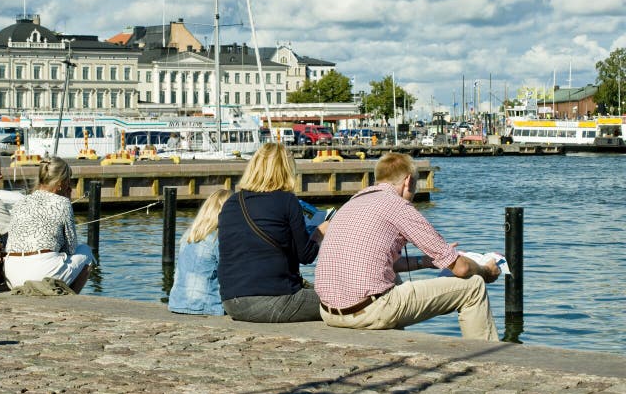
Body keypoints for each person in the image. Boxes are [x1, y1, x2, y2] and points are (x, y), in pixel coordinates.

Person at [315, 152, 501, 341]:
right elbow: (462, 269)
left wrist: (427, 262)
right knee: (473, 286)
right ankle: (487, 355)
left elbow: (383, 264)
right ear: (408, 181)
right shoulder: (398, 206)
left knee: (390, 276)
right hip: (369, 312)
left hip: (329, 313)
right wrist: (486, 270)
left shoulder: (351, 203)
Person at [218, 142, 329, 323]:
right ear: (285, 169)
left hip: (232, 301)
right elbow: (306, 255)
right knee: (343, 299)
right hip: (273, 300)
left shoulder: (231, 202)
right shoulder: (287, 201)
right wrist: (320, 232)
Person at [4, 157, 93, 293]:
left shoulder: (21, 201)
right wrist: (67, 201)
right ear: (60, 183)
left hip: (12, 274)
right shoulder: (62, 203)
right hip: (41, 272)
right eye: (69, 180)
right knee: (86, 251)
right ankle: (70, 299)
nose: (70, 185)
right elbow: (71, 248)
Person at [168, 189, 232, 316]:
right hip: (207, 305)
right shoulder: (217, 238)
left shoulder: (189, 235)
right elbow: (229, 274)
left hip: (177, 302)